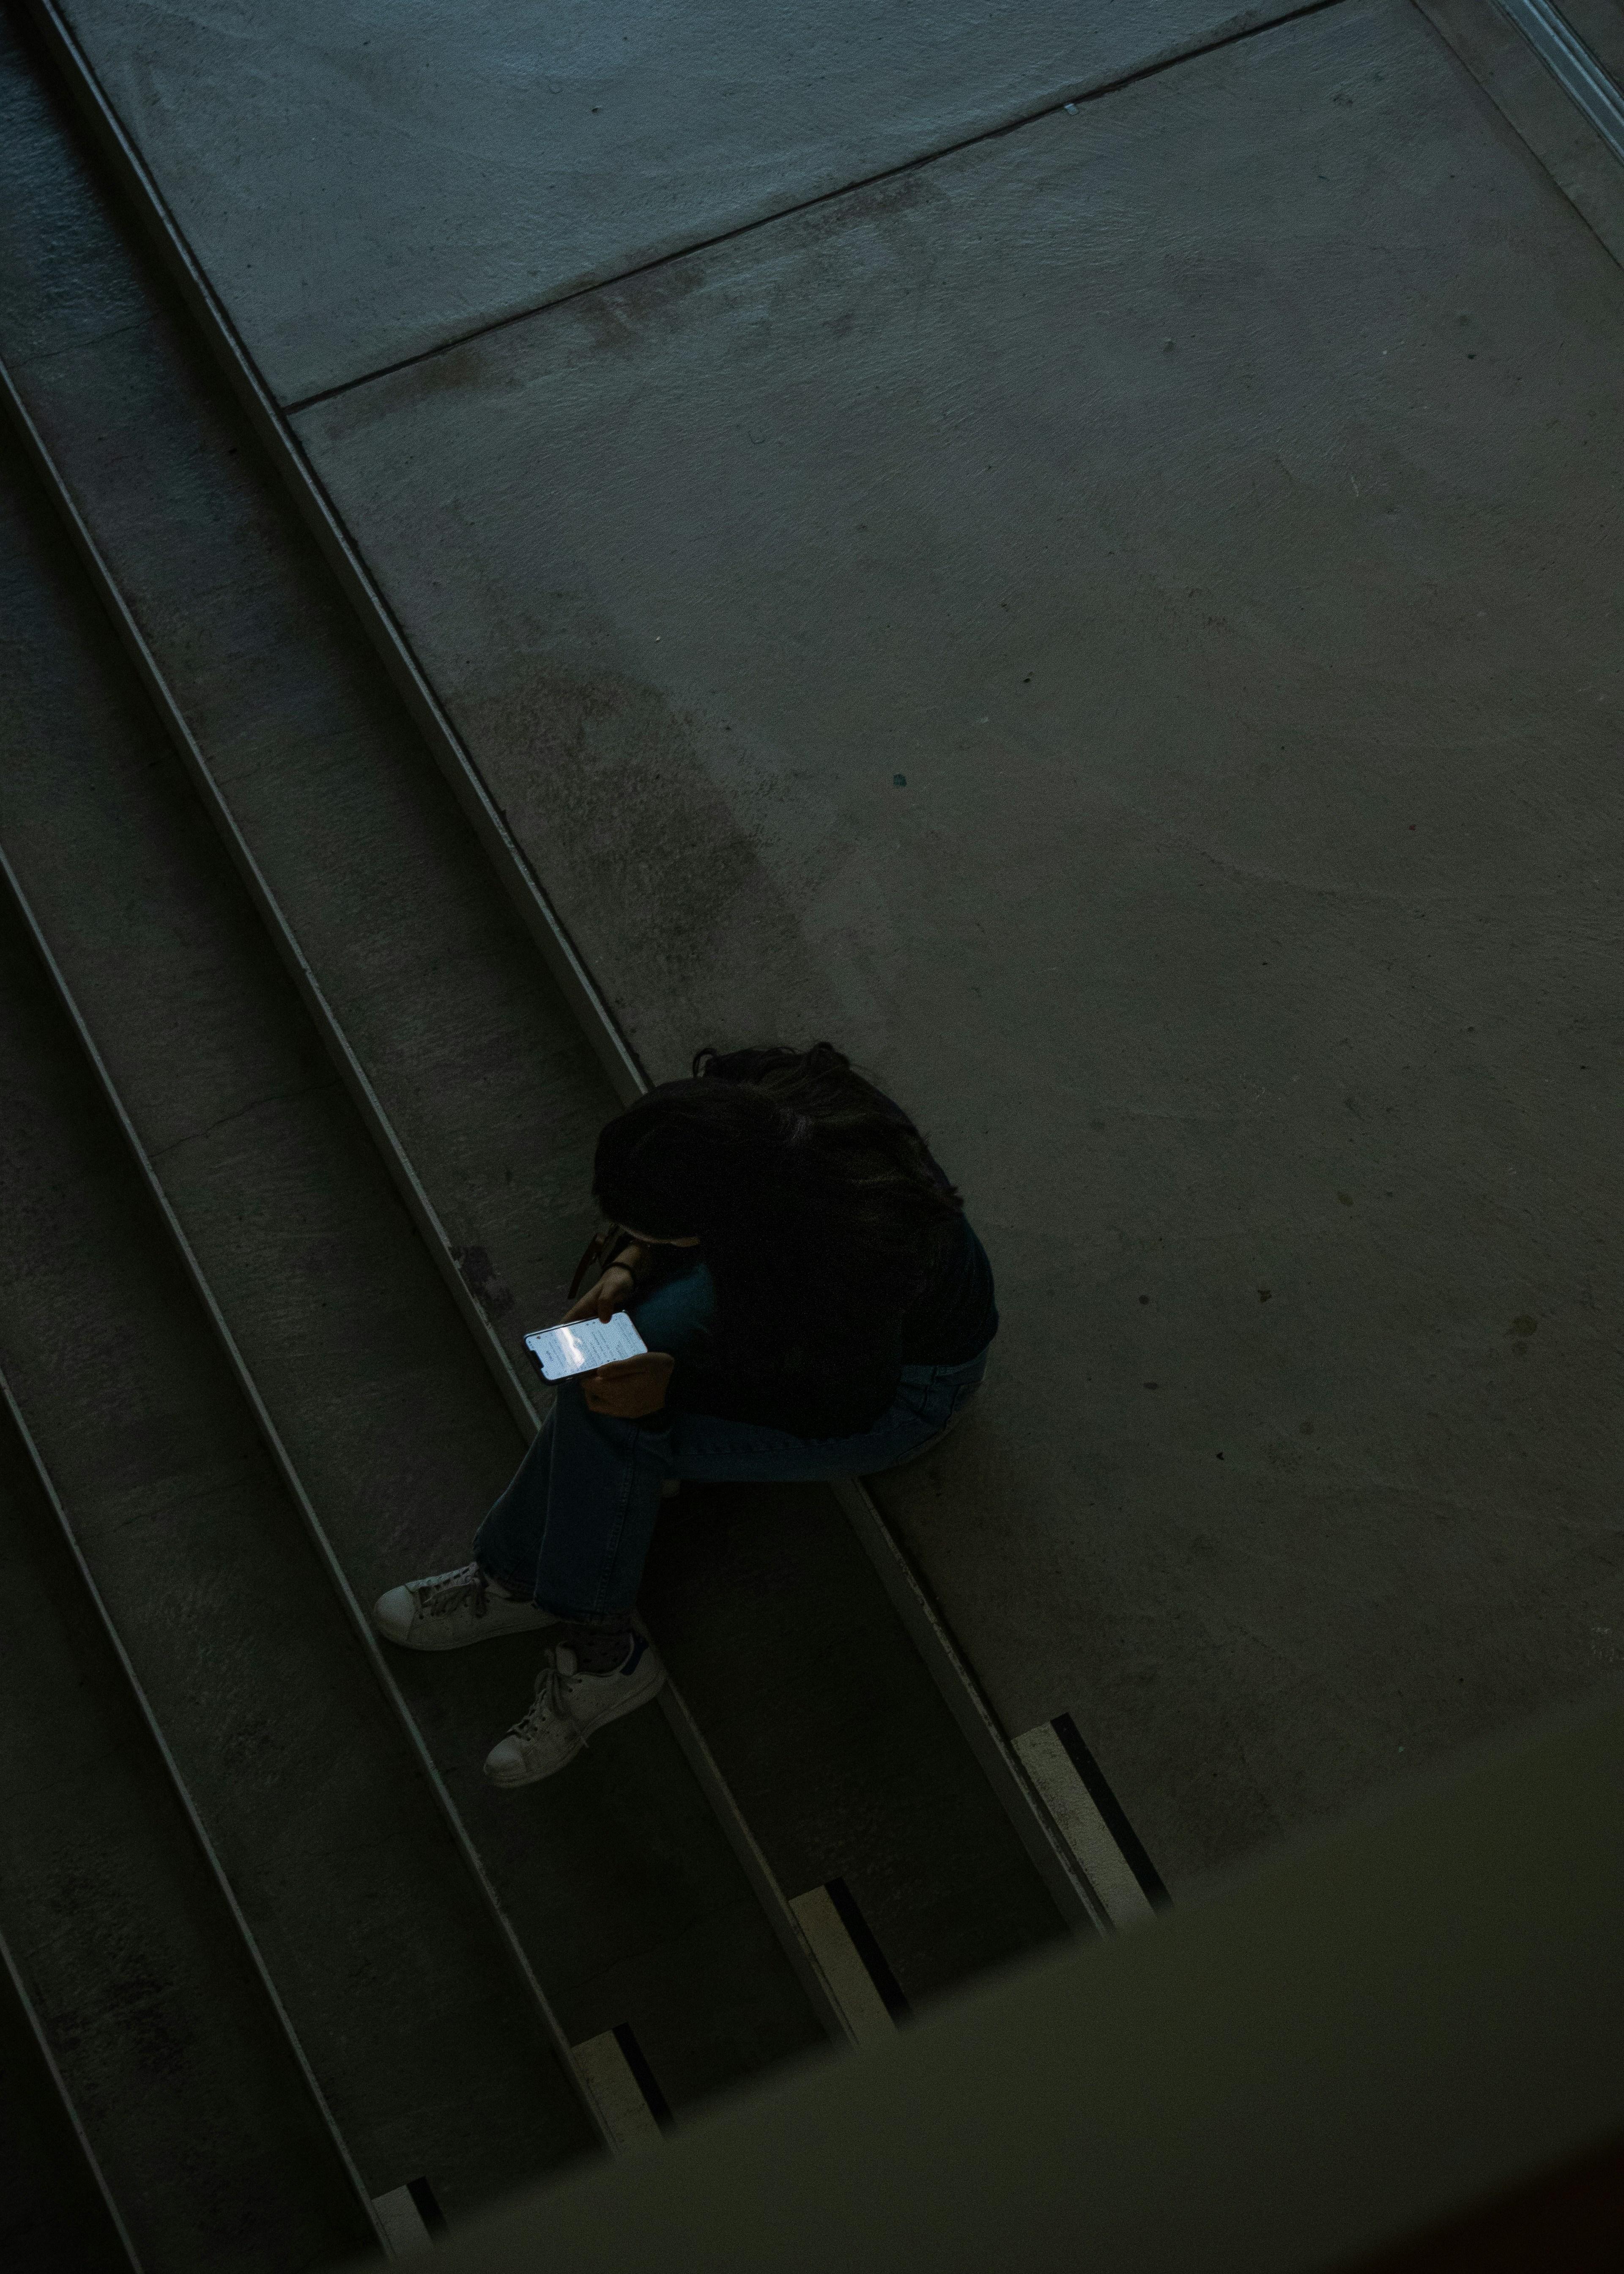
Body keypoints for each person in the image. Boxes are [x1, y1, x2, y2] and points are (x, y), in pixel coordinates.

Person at [372, 1043, 997, 1786]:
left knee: (615, 1412)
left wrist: (670, 1388)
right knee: (585, 1364)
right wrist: (626, 1266)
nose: (646, 1240)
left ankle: (597, 1648)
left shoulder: (851, 1254)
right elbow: (713, 1247)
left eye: (660, 1232)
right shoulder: (754, 1101)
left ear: (716, 1225)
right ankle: (525, 1579)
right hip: (776, 1289)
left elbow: (840, 1404)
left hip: (898, 1389)